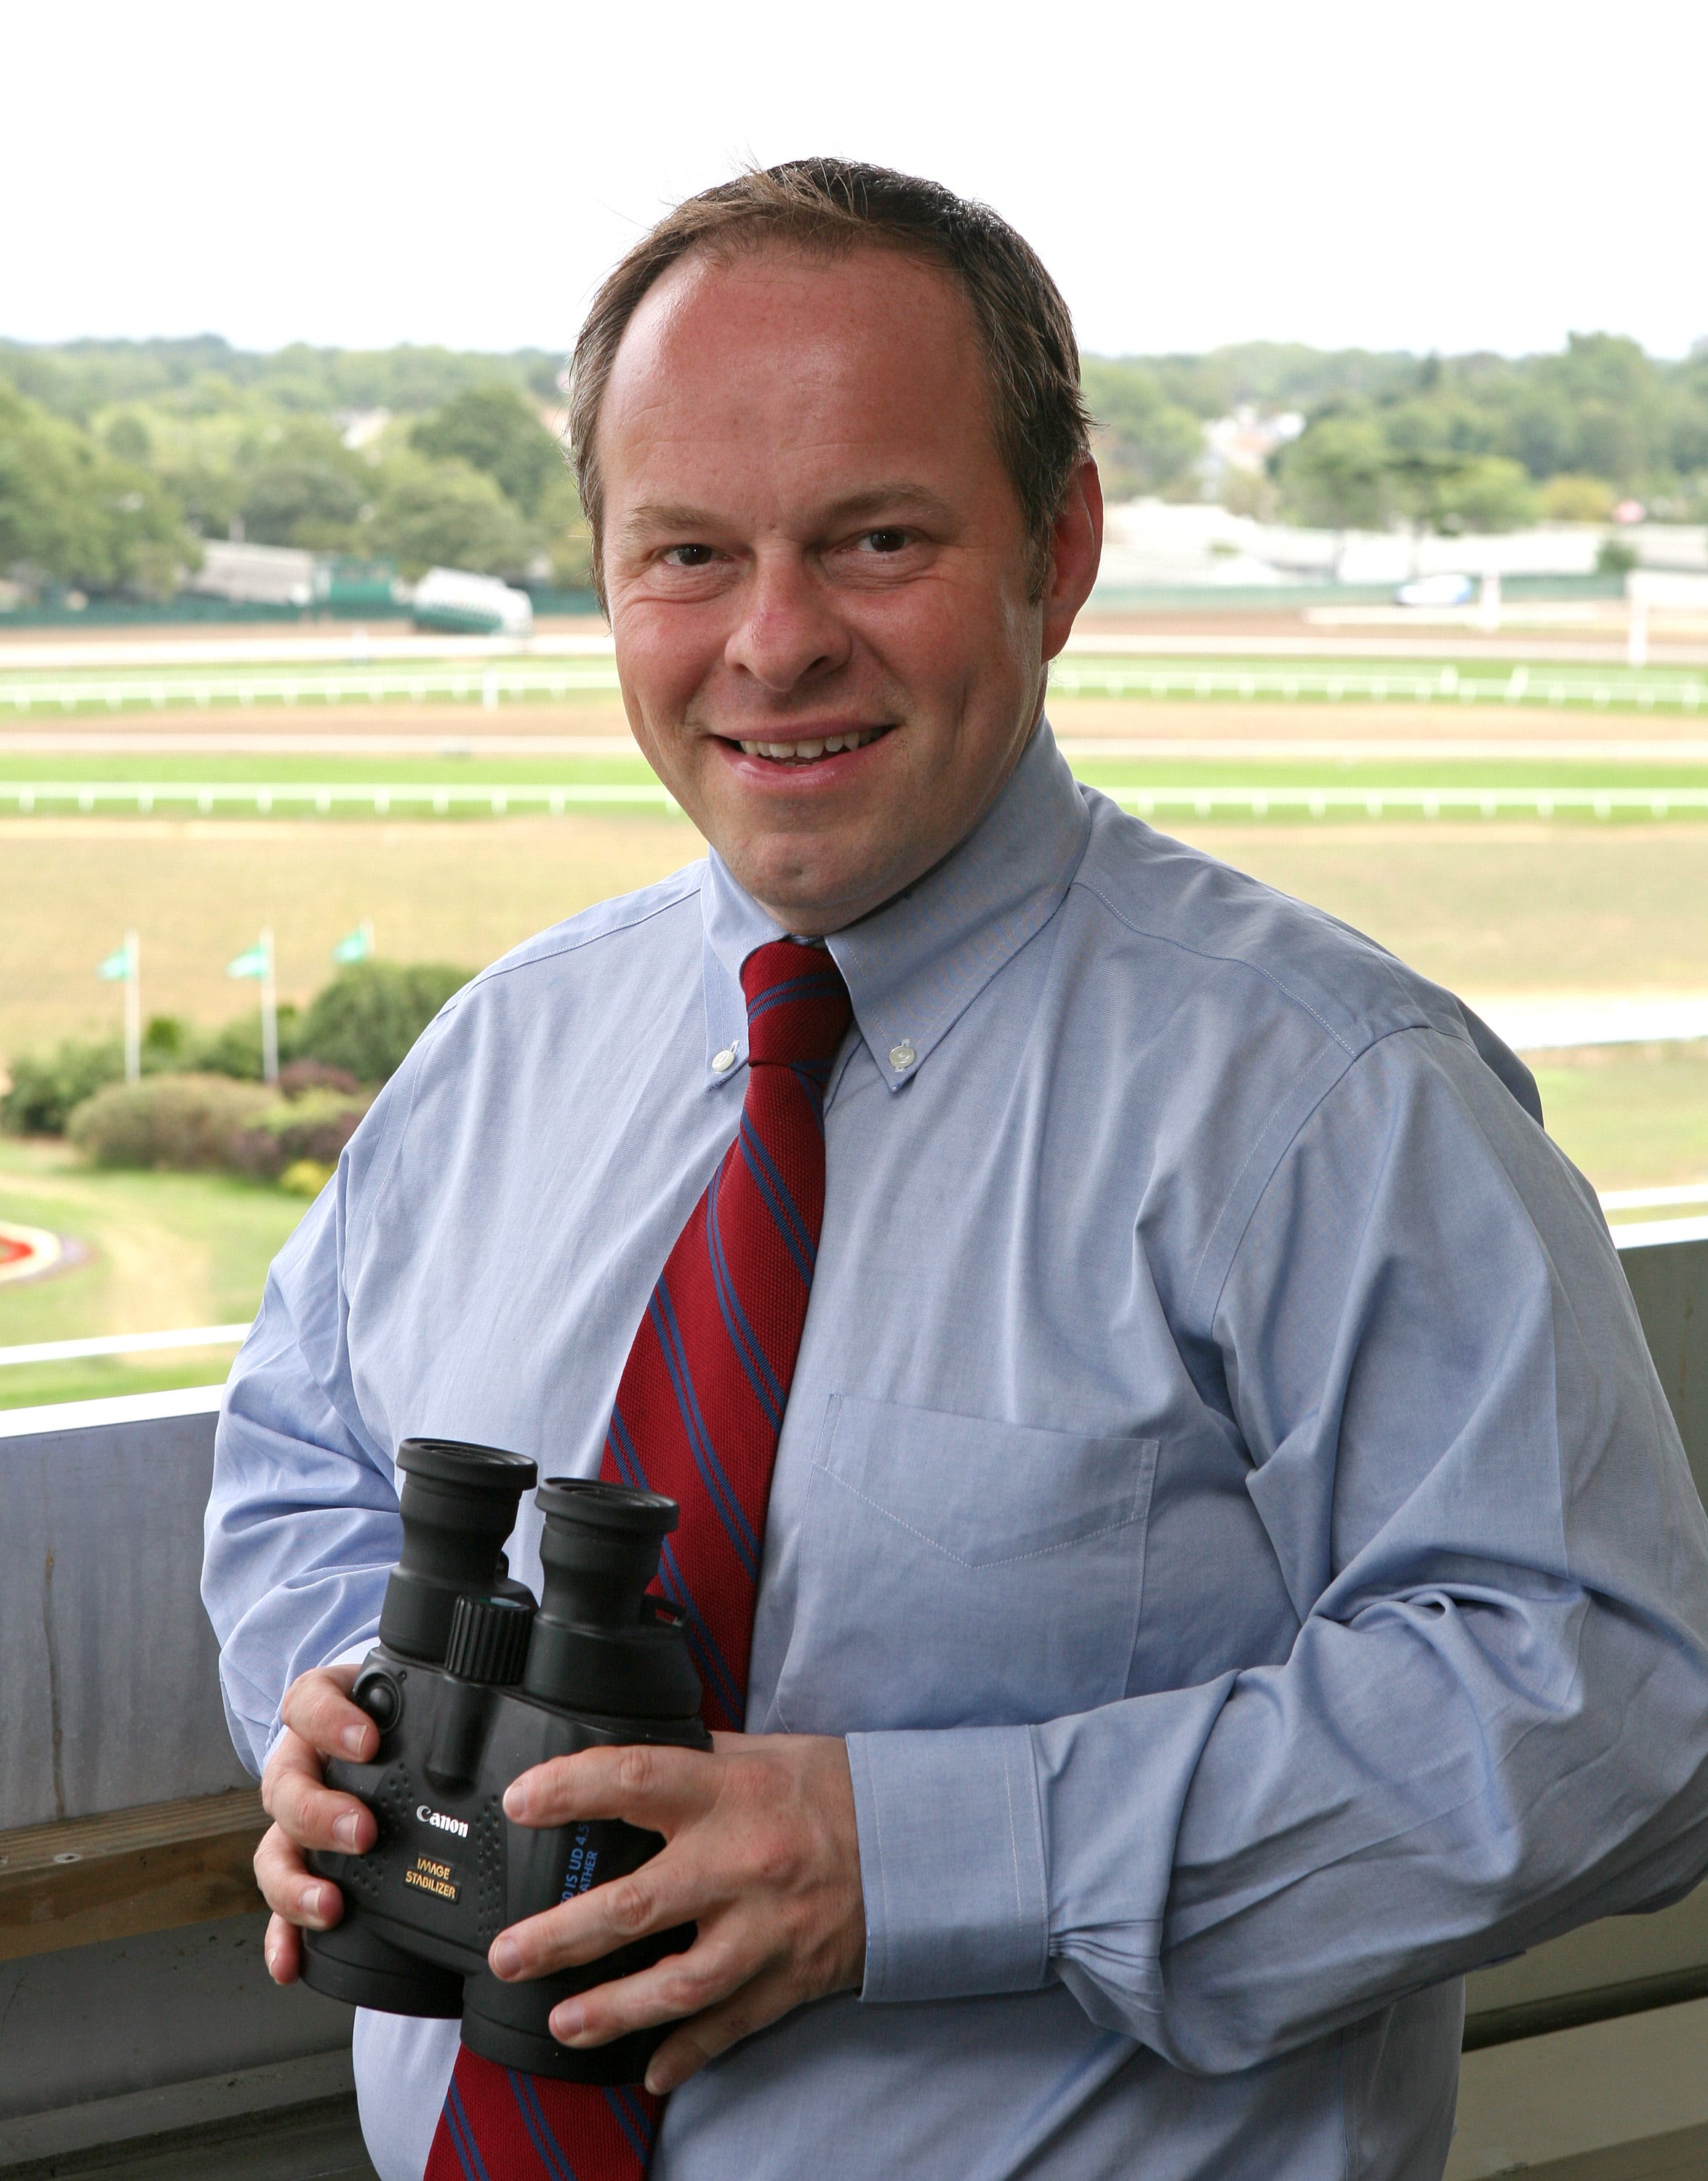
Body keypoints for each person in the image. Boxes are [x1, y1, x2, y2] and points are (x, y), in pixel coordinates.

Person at [204, 160, 1708, 2181]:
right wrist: (347, 1708)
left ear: (1060, 547)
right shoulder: (504, 1056)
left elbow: (1606, 1706)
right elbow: (307, 1449)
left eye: (874, 538)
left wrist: (907, 1861)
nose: (773, 642)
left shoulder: (1337, 1100)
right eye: (685, 555)